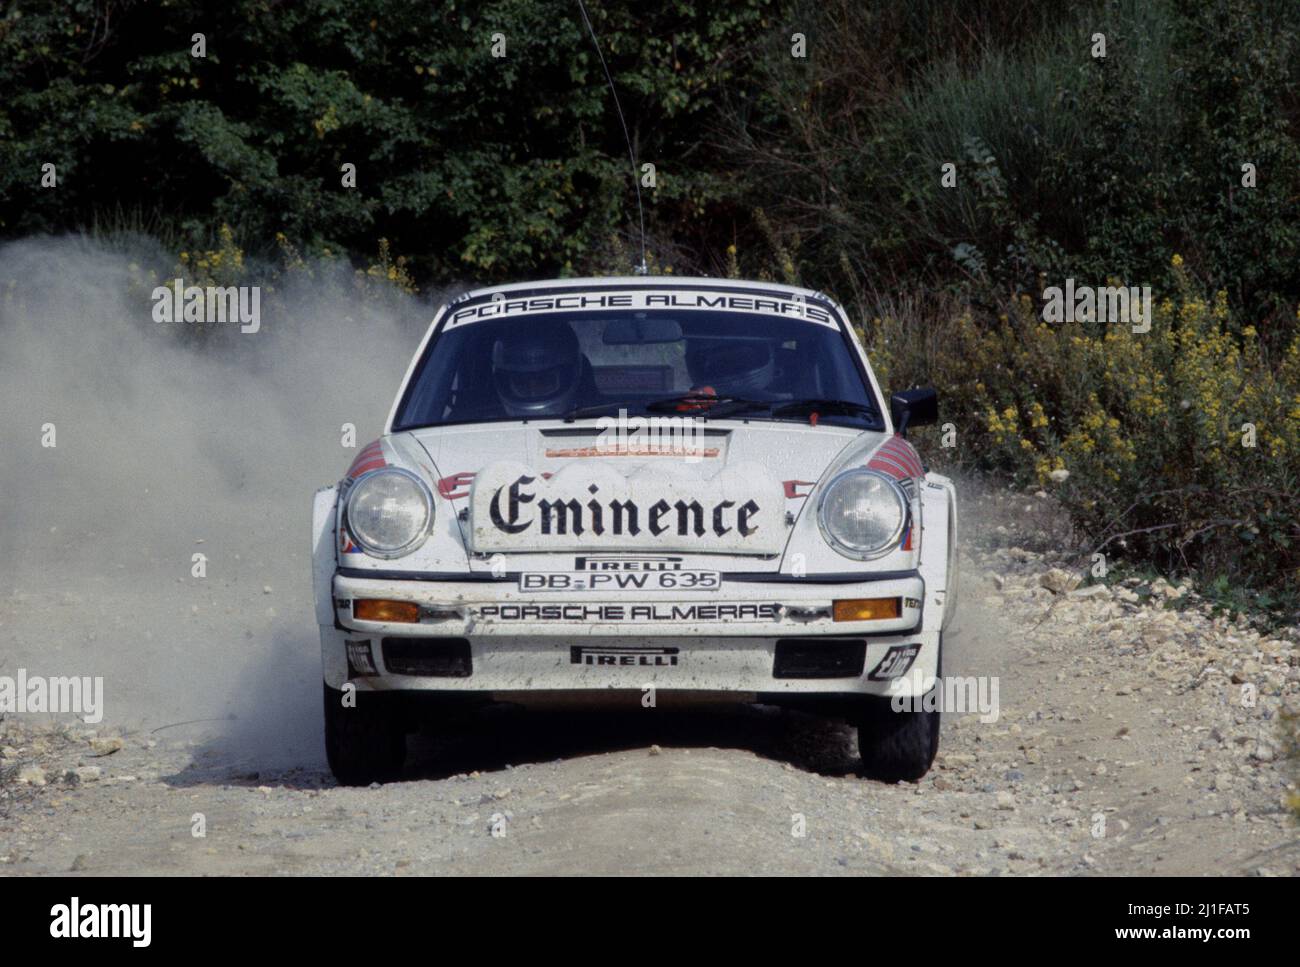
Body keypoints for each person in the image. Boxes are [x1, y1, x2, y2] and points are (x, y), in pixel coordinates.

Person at [490, 320, 583, 417]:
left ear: (567, 378)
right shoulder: (479, 426)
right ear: (504, 384)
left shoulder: (597, 422)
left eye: (543, 382)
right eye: (522, 384)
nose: (533, 391)